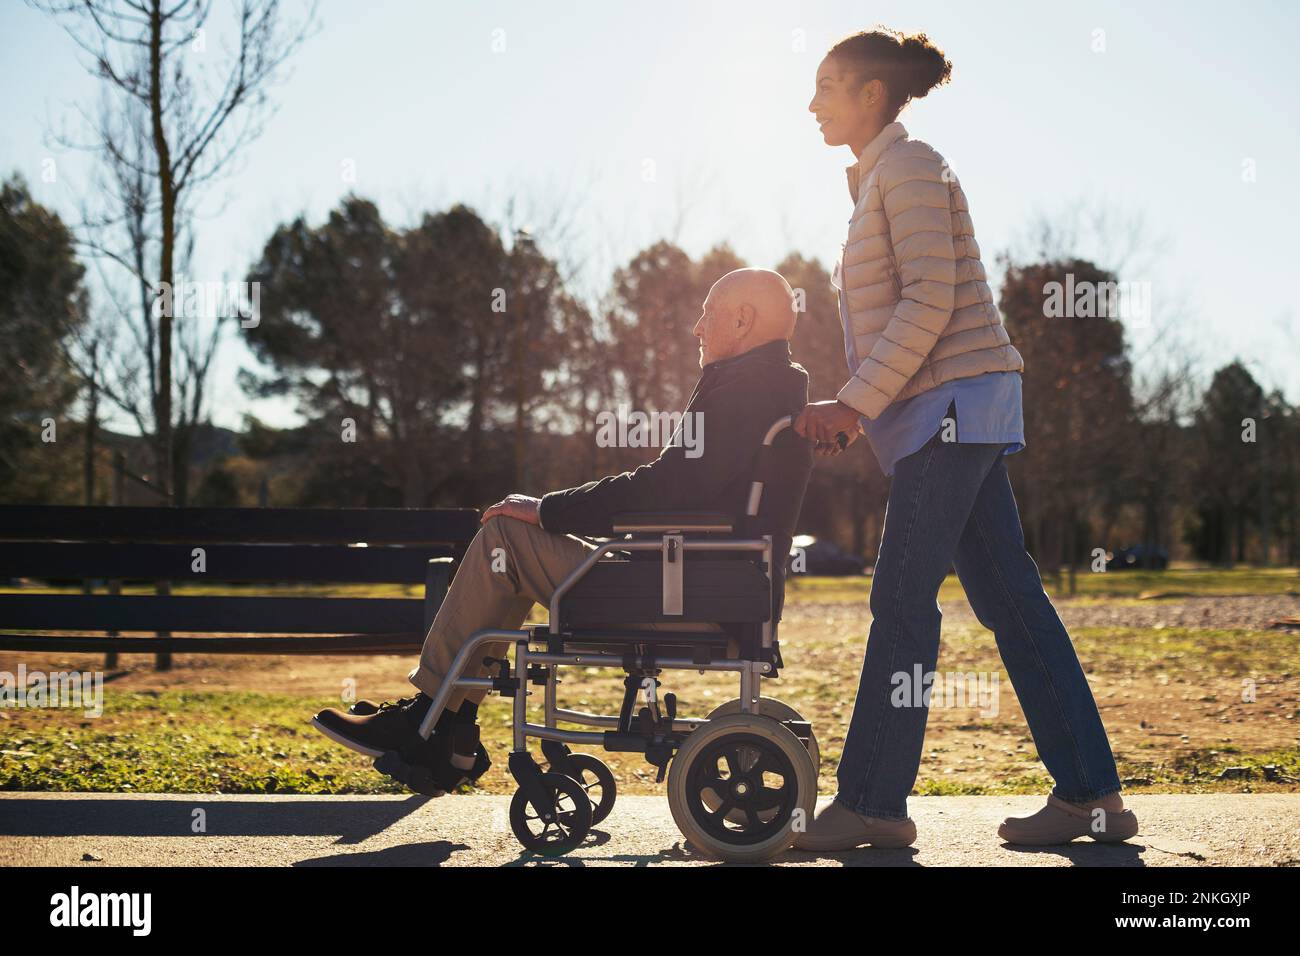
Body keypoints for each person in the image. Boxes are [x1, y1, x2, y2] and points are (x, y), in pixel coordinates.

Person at [792, 28, 1138, 850]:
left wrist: (852, 401)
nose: (813, 103)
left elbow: (934, 298)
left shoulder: (908, 167)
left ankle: (875, 804)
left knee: (903, 601)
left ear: (873, 93)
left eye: (829, 86)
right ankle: (1092, 797)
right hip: (952, 409)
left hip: (951, 406)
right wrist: (870, 406)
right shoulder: (887, 174)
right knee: (1010, 601)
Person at [313, 267, 815, 793]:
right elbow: (679, 490)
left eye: (708, 313)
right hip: (698, 583)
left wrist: (551, 510)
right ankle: (446, 722)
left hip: (678, 591)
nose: (696, 328)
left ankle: (433, 719)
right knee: (513, 546)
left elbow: (665, 489)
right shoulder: (770, 387)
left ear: (743, 318)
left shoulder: (745, 390)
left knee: (504, 536)